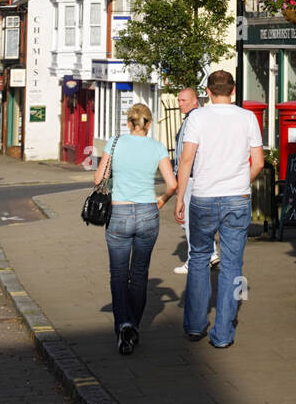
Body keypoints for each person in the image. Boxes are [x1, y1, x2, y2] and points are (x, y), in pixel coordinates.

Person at [175, 69, 263, 349]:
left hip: (203, 196)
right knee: (232, 264)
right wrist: (241, 183)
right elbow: (258, 163)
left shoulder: (198, 118)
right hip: (237, 197)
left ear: (208, 93)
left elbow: (186, 160)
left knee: (199, 258)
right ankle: (223, 333)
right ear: (234, 90)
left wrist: (179, 196)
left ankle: (195, 325)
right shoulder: (248, 117)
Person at [93, 101, 176, 356]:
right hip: (147, 213)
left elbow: (98, 178)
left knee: (118, 274)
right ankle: (134, 326)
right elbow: (172, 184)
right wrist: (160, 201)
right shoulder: (157, 147)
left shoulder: (115, 143)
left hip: (118, 213)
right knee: (139, 273)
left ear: (129, 123)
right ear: (149, 125)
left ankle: (124, 325)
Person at [172, 87, 219, 274]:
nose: (179, 104)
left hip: (191, 177)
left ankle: (193, 260)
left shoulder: (193, 120)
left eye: (183, 100)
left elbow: (186, 156)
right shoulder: (196, 119)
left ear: (194, 101)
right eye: (178, 100)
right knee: (200, 220)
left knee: (190, 221)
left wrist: (180, 179)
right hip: (197, 176)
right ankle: (212, 253)